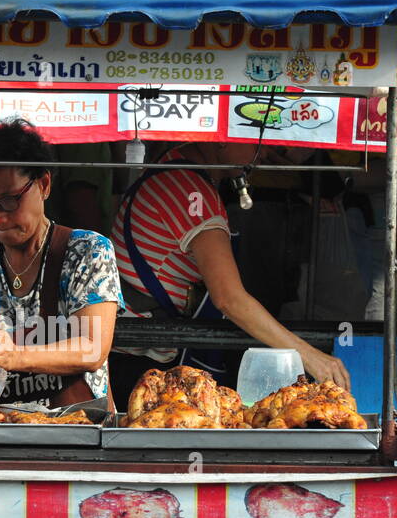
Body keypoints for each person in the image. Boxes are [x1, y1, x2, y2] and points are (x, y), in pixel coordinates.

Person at [109, 140, 351, 402]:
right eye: (258, 145)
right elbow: (229, 298)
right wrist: (310, 356)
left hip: (151, 349)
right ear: (224, 140)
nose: (265, 155)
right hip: (143, 358)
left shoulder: (176, 165)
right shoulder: (189, 190)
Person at [0, 119, 124, 408]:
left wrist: (14, 355)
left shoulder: (87, 252)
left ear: (43, 185)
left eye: (9, 201)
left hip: (74, 433)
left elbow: (92, 349)